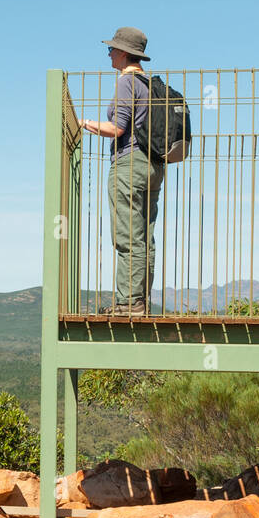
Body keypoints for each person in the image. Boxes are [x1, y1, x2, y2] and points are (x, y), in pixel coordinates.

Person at [78, 27, 165, 316]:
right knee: (144, 237)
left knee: (127, 236)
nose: (109, 53)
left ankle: (129, 303)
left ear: (124, 53)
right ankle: (141, 301)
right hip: (153, 167)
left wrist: (85, 123)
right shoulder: (150, 84)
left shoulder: (127, 82)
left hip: (128, 165)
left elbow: (118, 128)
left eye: (112, 49)